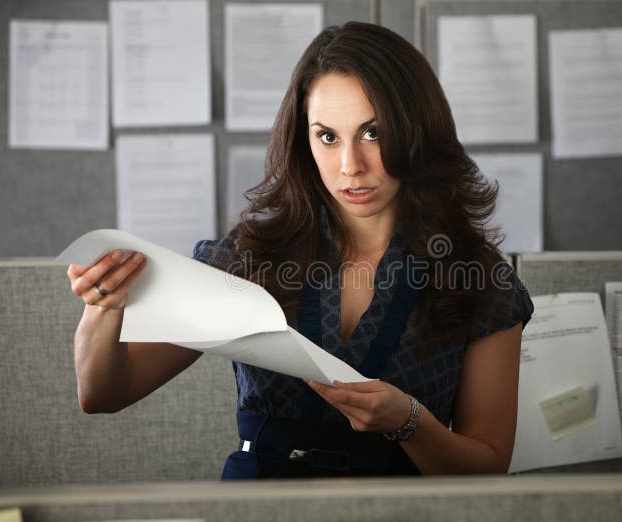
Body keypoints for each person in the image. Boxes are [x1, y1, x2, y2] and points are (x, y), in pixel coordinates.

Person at [67, 21, 533, 479]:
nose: (350, 165)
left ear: (418, 131)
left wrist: (410, 423)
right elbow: (104, 394)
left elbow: (488, 466)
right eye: (328, 137)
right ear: (303, 140)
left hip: (400, 508)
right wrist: (102, 307)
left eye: (373, 133)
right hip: (260, 505)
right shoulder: (249, 256)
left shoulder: (479, 278)